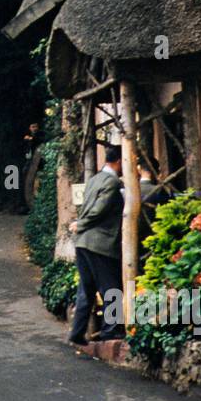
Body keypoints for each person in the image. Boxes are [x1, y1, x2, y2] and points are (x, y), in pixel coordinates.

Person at [67, 144, 125, 345]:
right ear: (119, 161)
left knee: (86, 288)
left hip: (83, 242)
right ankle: (111, 330)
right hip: (99, 242)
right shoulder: (112, 182)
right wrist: (81, 224)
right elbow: (99, 209)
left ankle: (77, 331)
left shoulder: (94, 179)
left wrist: (79, 226)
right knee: (112, 287)